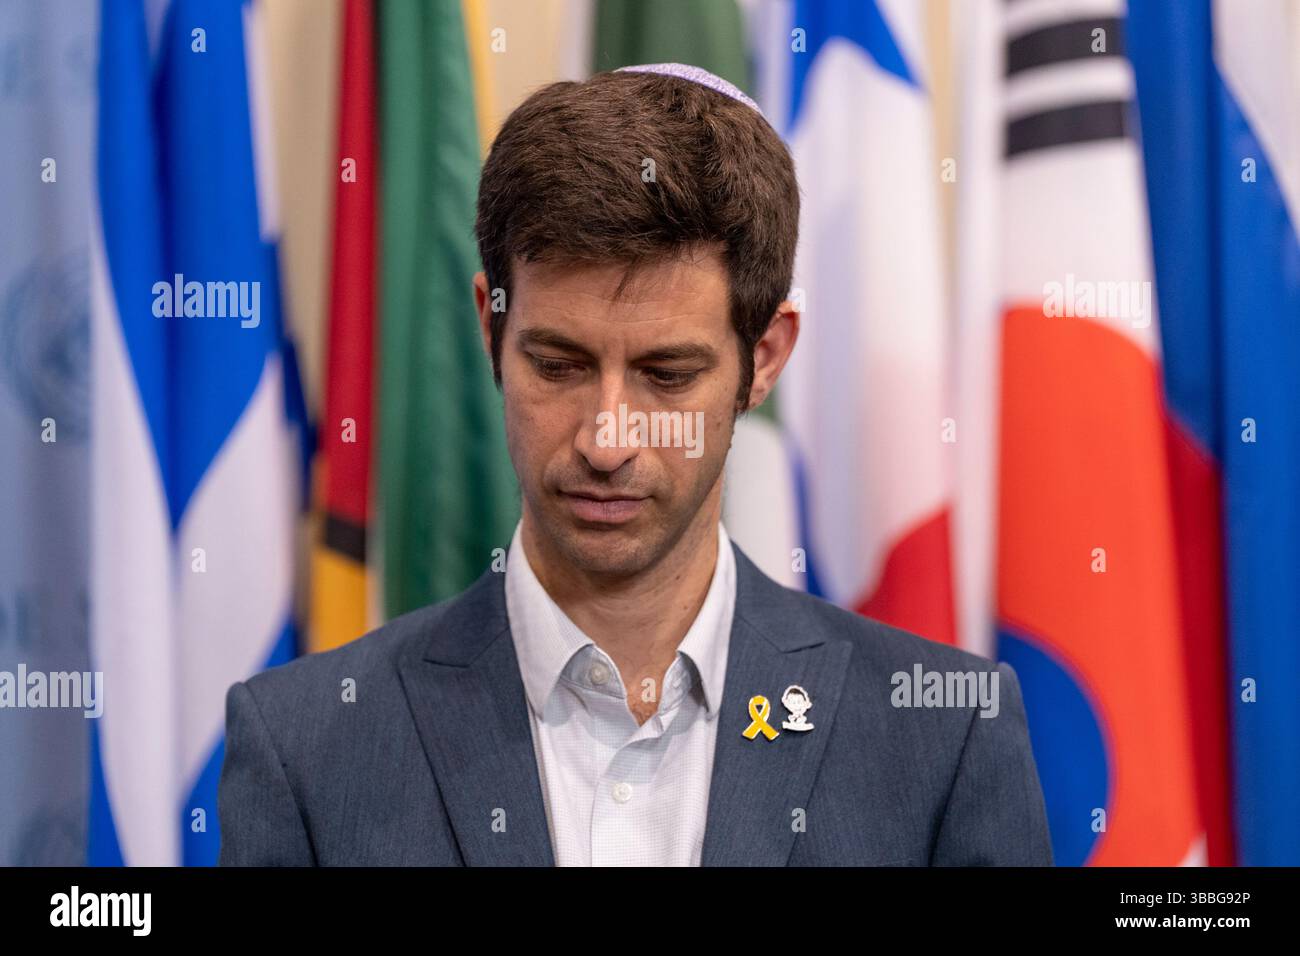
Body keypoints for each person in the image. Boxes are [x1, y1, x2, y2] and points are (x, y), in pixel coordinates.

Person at [218, 63, 1052, 867]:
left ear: (763, 358)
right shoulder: (307, 747)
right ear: (490, 327)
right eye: (558, 364)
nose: (605, 441)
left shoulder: (944, 738)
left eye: (666, 376)